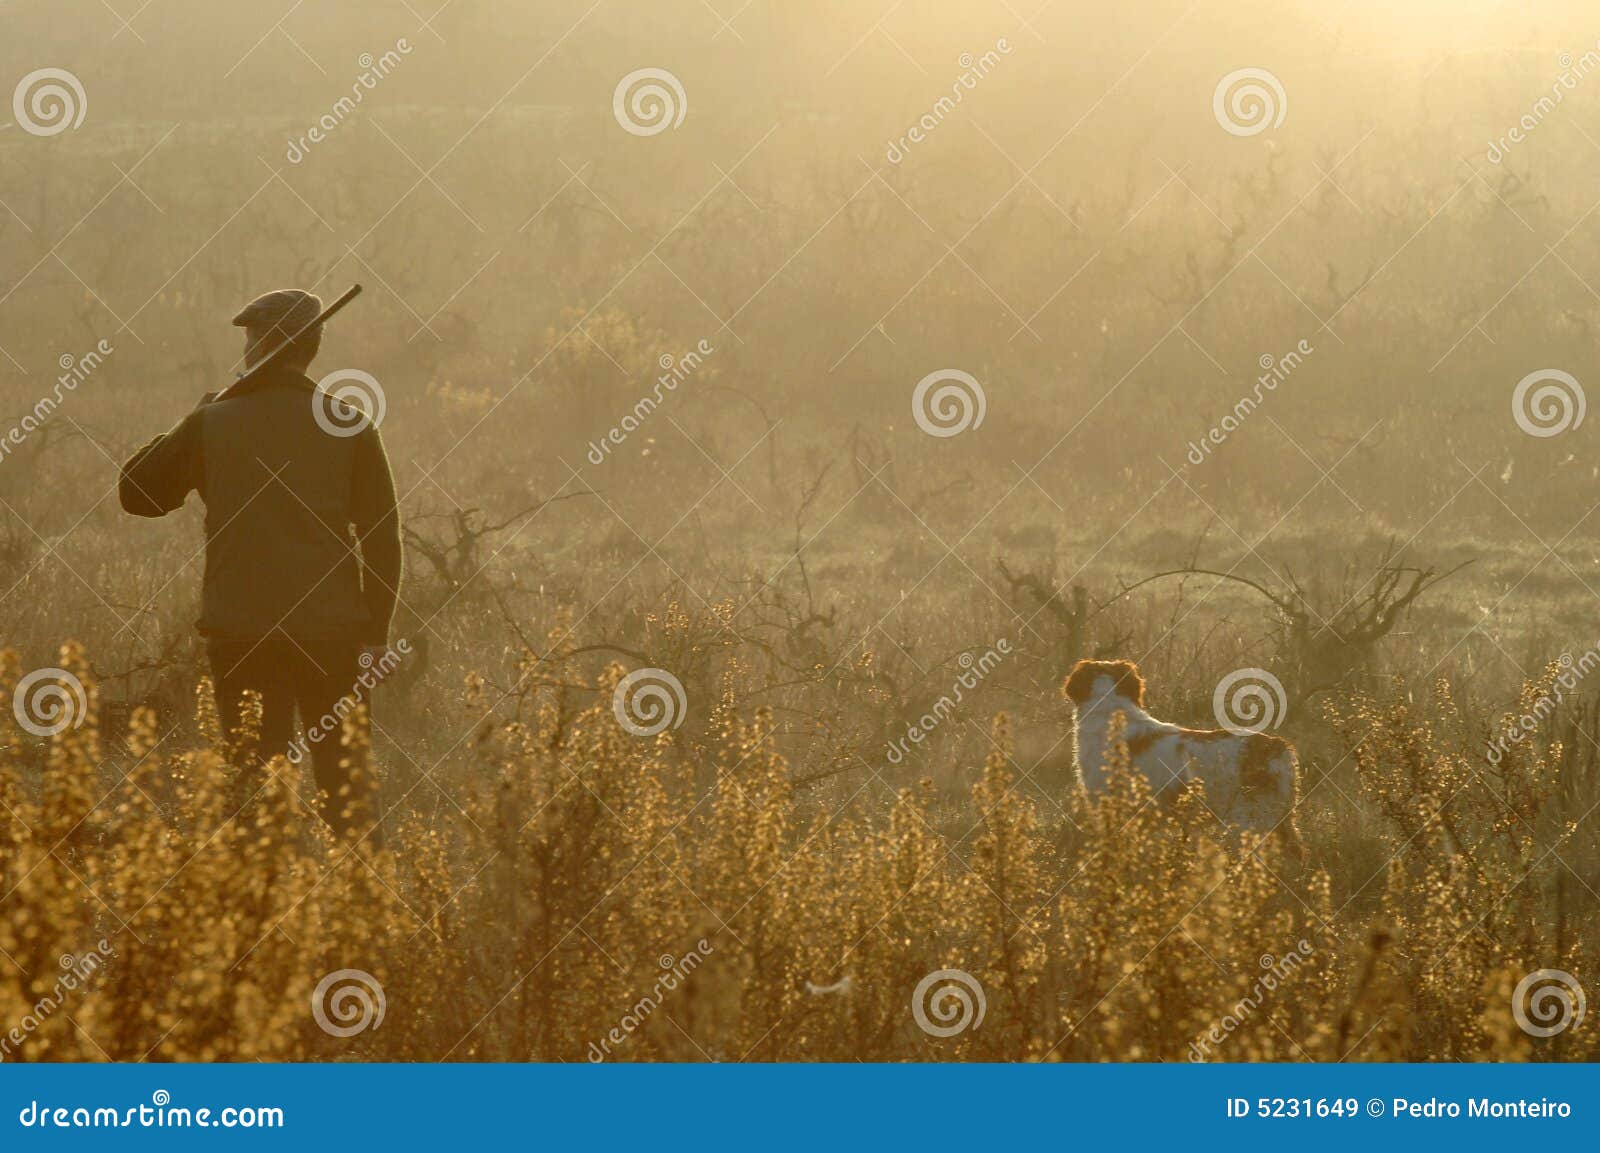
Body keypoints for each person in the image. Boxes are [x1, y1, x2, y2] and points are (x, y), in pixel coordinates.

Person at [118, 289, 401, 842]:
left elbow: (139, 495)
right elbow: (382, 539)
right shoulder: (350, 422)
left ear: (259, 345)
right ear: (311, 350)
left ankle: (259, 914)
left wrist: (192, 418)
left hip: (242, 635)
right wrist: (377, 636)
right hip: (334, 637)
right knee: (346, 797)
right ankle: (363, 911)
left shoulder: (212, 424)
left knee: (252, 794)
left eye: (249, 339)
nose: (244, 349)